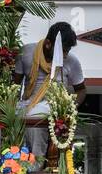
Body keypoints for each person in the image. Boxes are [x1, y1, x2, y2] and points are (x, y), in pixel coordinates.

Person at [16, 22, 87, 162]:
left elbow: (81, 90)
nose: (66, 55)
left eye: (68, 51)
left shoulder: (72, 62)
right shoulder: (26, 53)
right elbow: (15, 84)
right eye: (63, 50)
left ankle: (37, 162)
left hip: (54, 107)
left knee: (36, 116)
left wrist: (69, 109)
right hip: (27, 104)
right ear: (48, 44)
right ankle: (21, 161)